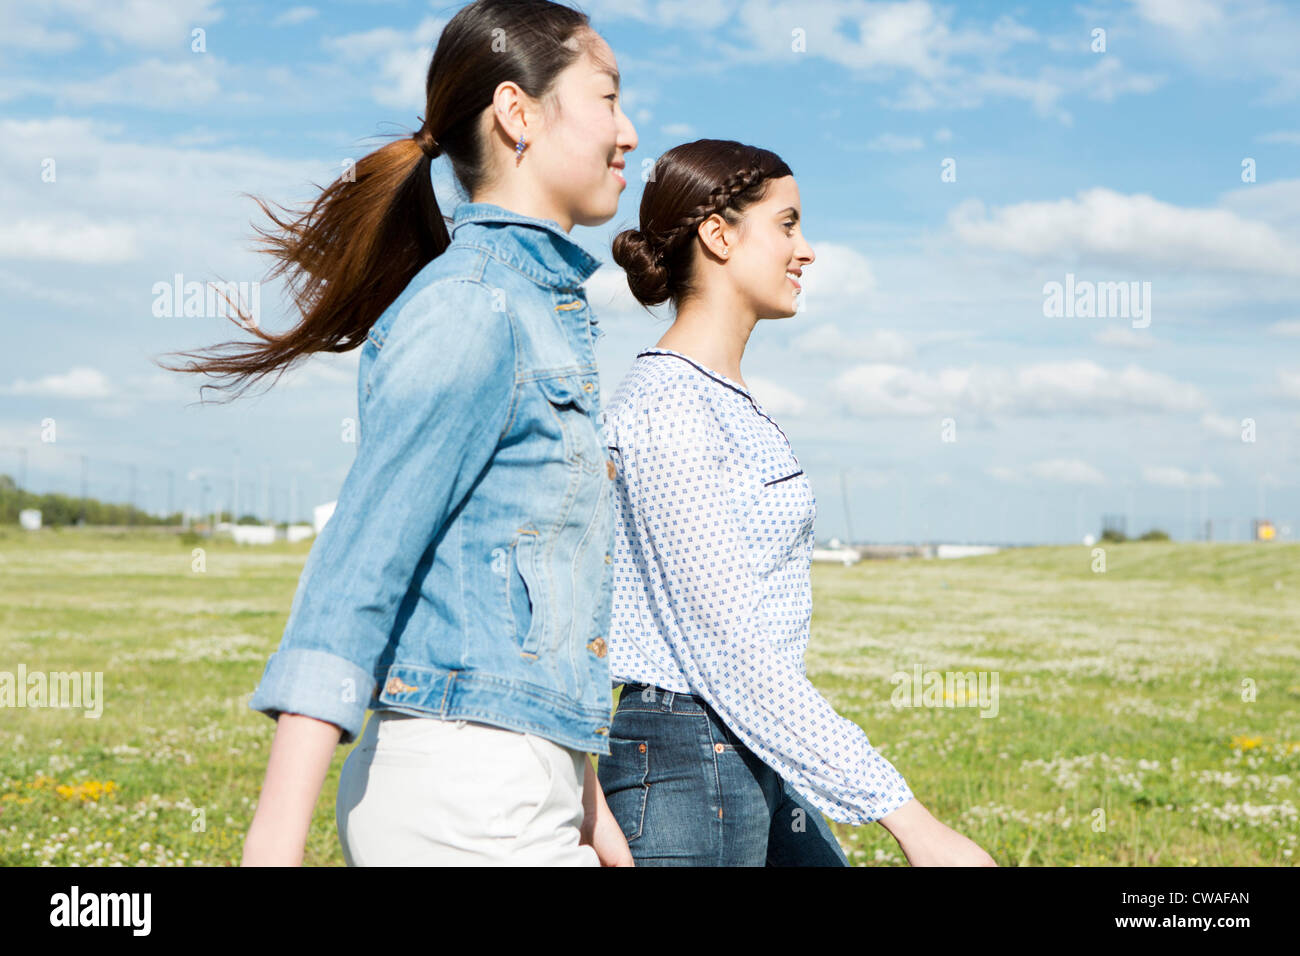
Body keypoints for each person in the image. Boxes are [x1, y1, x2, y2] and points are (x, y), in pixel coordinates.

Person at [158, 0, 638, 866]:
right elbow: (361, 564)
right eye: (608, 97)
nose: (629, 131)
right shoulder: (474, 308)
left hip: (523, 786)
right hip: (466, 800)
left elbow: (531, 596)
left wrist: (590, 806)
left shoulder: (537, 311)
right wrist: (274, 843)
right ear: (518, 113)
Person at [597, 139, 997, 866]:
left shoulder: (721, 399)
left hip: (750, 745)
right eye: (787, 224)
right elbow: (731, 652)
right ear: (718, 235)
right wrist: (916, 824)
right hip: (692, 763)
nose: (806, 250)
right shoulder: (672, 409)